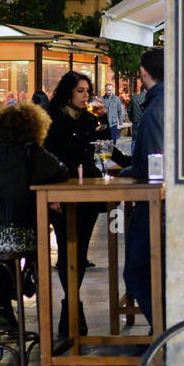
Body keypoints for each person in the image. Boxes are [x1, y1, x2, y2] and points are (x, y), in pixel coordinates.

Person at [0, 102, 68, 335]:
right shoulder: (30, 151)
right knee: (31, 252)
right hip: (18, 237)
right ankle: (26, 287)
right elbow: (61, 170)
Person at [43, 70, 113, 337]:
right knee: (65, 249)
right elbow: (46, 154)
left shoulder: (89, 118)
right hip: (61, 191)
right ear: (69, 91)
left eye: (88, 91)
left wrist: (103, 119)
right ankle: (71, 306)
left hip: (87, 191)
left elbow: (104, 146)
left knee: (81, 250)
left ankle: (72, 305)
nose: (85, 96)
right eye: (80, 91)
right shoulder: (52, 118)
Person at [118, 49, 164, 328]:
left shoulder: (154, 109)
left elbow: (151, 164)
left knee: (136, 270)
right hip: (169, 199)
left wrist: (127, 169)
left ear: (143, 72)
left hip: (155, 200)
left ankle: (163, 332)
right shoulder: (172, 101)